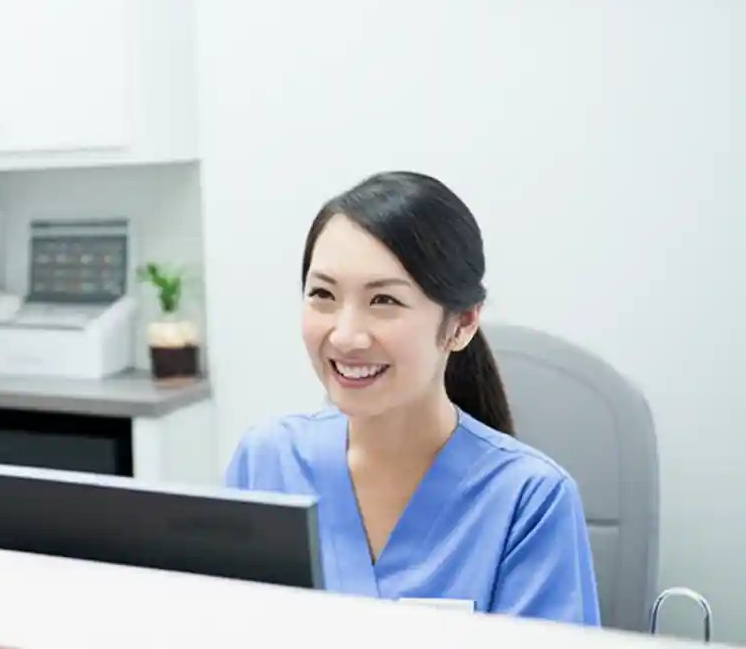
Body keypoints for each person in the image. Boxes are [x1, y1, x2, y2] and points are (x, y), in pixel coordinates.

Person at [225, 171, 600, 624]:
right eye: (322, 294)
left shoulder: (529, 501)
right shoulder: (267, 460)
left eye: (384, 300)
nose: (345, 336)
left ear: (461, 324)